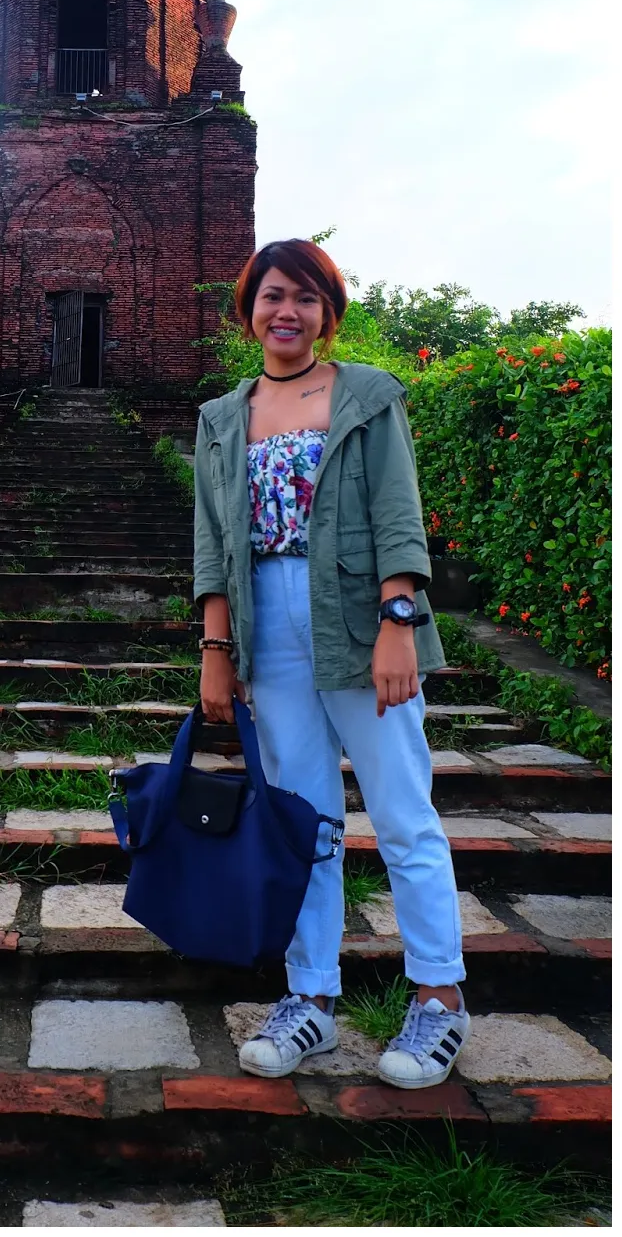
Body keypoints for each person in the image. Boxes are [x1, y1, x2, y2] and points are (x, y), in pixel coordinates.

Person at [192, 238, 469, 1089]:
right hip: (266, 629)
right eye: (273, 295)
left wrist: (398, 621)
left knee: (402, 812)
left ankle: (439, 1000)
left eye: (306, 298)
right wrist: (215, 648)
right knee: (303, 821)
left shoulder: (367, 395)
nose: (288, 311)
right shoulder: (222, 416)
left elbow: (397, 510)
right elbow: (212, 540)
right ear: (249, 309)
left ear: (328, 313)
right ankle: (309, 998)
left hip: (357, 616)